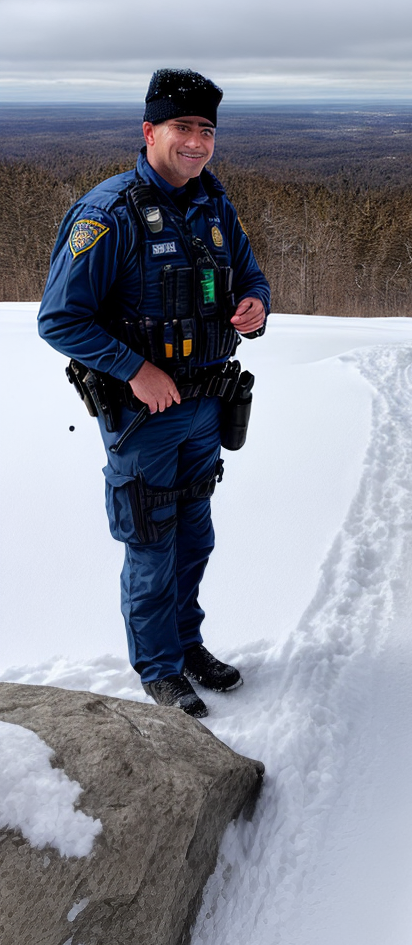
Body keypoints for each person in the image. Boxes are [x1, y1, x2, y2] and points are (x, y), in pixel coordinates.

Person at [38, 69, 270, 719]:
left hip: (206, 407)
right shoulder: (109, 213)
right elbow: (59, 320)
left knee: (194, 538)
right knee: (150, 543)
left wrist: (256, 306)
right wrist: (136, 369)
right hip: (143, 416)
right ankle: (160, 669)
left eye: (206, 130)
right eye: (182, 128)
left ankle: (188, 646)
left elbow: (250, 276)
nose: (196, 142)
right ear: (149, 132)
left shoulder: (214, 205)